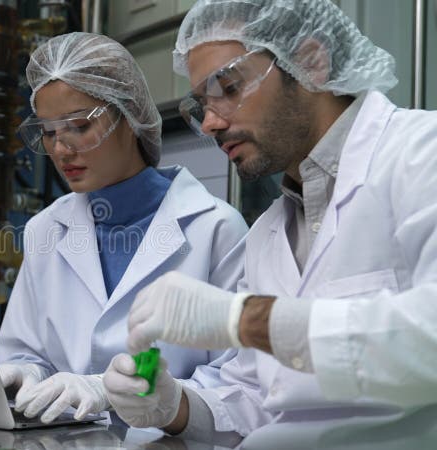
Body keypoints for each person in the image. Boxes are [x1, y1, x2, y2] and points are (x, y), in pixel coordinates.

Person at [103, 0, 437, 447]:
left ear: (311, 63)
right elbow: (260, 397)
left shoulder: (421, 154)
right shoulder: (268, 234)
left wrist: (249, 320)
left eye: (229, 87)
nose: (211, 122)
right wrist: (174, 406)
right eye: (201, 102)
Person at [0, 32, 248, 424]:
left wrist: (136, 396)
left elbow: (237, 386)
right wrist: (24, 372)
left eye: (78, 126)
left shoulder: (216, 228)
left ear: (129, 116)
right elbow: (27, 352)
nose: (62, 149)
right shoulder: (45, 228)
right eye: (48, 132)